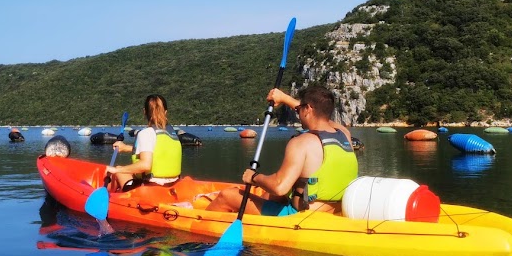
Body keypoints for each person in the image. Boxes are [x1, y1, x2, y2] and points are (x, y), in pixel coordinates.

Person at [206, 85, 358, 215]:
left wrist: (253, 177)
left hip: (299, 215)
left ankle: (200, 234)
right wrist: (285, 99)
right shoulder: (344, 135)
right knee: (269, 196)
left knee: (227, 196)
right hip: (336, 211)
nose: (298, 113)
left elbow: (280, 186)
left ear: (308, 109)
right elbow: (323, 118)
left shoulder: (301, 142)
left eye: (300, 109)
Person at [106, 94, 182, 191]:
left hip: (151, 189)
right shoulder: (172, 134)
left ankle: (110, 199)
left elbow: (145, 165)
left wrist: (116, 170)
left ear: (144, 112)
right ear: (165, 112)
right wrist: (125, 148)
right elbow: (158, 151)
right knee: (126, 172)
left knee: (118, 171)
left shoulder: (146, 133)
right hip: (173, 186)